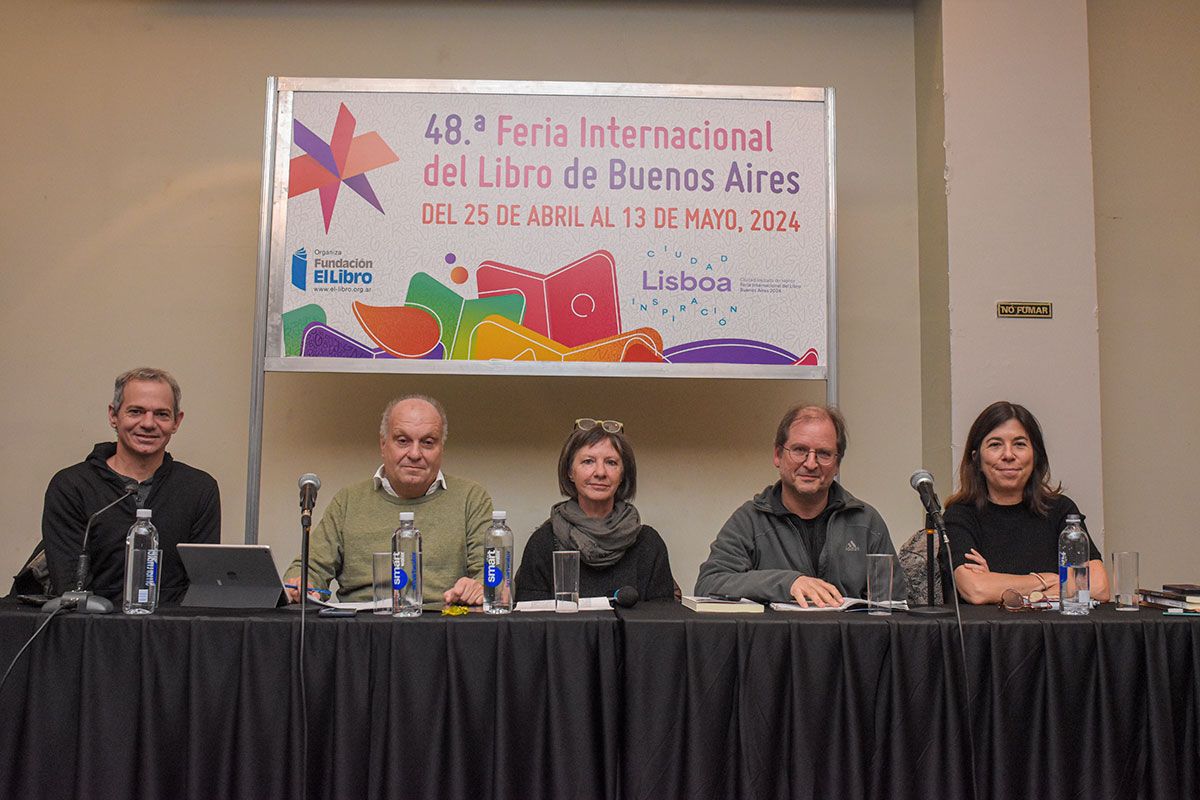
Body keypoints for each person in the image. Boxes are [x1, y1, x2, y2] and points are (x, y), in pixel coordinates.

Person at [283, 394, 493, 605]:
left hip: (442, 625)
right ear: (383, 444)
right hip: (361, 627)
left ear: (441, 449)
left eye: (428, 443)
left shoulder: (471, 499)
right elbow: (308, 569)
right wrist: (302, 584)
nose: (415, 453)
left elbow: (492, 574)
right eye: (403, 441)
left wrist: (479, 587)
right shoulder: (348, 501)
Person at [695, 404, 906, 606]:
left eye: (823, 453)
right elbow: (709, 585)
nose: (811, 463)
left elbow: (891, 604)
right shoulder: (750, 520)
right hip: (775, 642)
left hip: (848, 642)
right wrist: (788, 583)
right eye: (799, 450)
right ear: (778, 455)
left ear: (837, 464)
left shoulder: (866, 522)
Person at [41, 367, 221, 604]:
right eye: (136, 411)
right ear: (113, 416)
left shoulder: (199, 489)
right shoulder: (72, 486)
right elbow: (71, 587)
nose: (148, 423)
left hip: (172, 631)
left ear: (177, 422)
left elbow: (203, 586)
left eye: (162, 414)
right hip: (89, 630)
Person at [944, 401, 1109, 604]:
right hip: (990, 634)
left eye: (1019, 444)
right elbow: (977, 590)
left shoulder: (1060, 510)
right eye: (995, 445)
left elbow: (1099, 585)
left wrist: (1004, 588)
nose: (1008, 455)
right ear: (976, 458)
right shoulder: (960, 516)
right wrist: (1045, 580)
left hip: (1058, 633)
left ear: (1035, 456)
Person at [514, 419, 675, 603]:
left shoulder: (649, 544)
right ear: (570, 472)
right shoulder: (543, 543)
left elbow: (664, 625)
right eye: (588, 461)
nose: (600, 472)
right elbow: (528, 627)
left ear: (623, 474)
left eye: (611, 462)